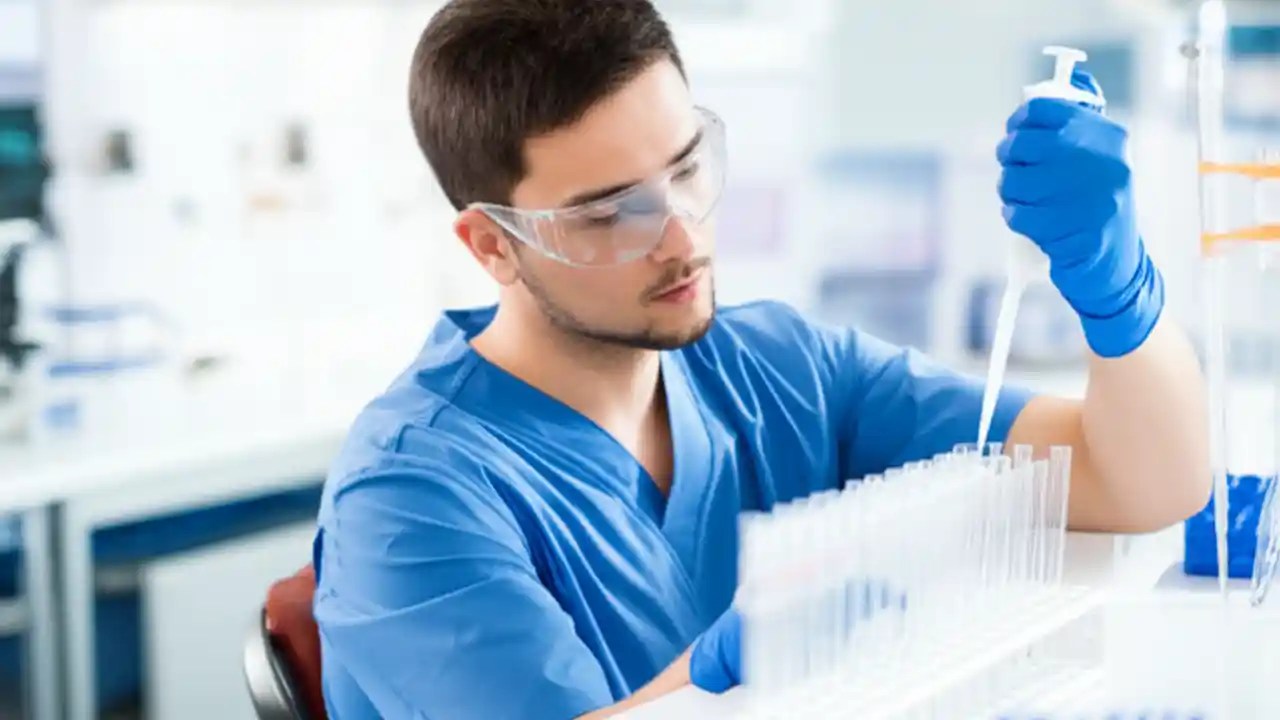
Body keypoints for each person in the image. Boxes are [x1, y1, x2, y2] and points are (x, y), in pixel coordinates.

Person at [311, 1, 1210, 717]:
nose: (680, 237)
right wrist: (713, 681)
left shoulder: (777, 367)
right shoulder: (407, 496)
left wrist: (1117, 292)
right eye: (606, 212)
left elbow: (1141, 485)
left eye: (688, 166)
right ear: (491, 245)